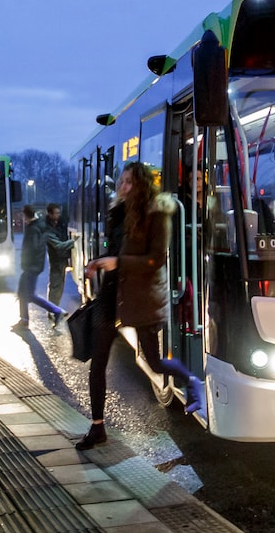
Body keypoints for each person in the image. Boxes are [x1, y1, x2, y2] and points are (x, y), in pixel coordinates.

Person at [77, 162, 204, 449]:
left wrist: (118, 262)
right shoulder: (117, 212)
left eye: (129, 182)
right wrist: (98, 262)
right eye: (121, 181)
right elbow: (114, 251)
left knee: (154, 361)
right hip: (110, 297)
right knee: (97, 364)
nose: (123, 187)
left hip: (140, 297)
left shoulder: (157, 214)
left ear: (143, 184)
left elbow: (156, 259)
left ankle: (191, 379)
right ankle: (97, 427)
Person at [15, 205, 65, 328]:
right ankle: (24, 319)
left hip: (31, 266)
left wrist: (26, 263)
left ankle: (57, 311)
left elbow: (33, 248)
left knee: (29, 294)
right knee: (22, 292)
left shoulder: (33, 229)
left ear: (25, 215)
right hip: (33, 265)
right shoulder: (36, 226)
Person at [44, 203, 74, 308]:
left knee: (60, 286)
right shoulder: (47, 228)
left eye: (59, 213)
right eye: (56, 213)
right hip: (56, 260)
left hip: (62, 258)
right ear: (50, 214)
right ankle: (52, 310)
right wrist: (74, 242)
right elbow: (58, 245)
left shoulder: (59, 224)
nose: (58, 215)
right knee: (56, 286)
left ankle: (54, 309)